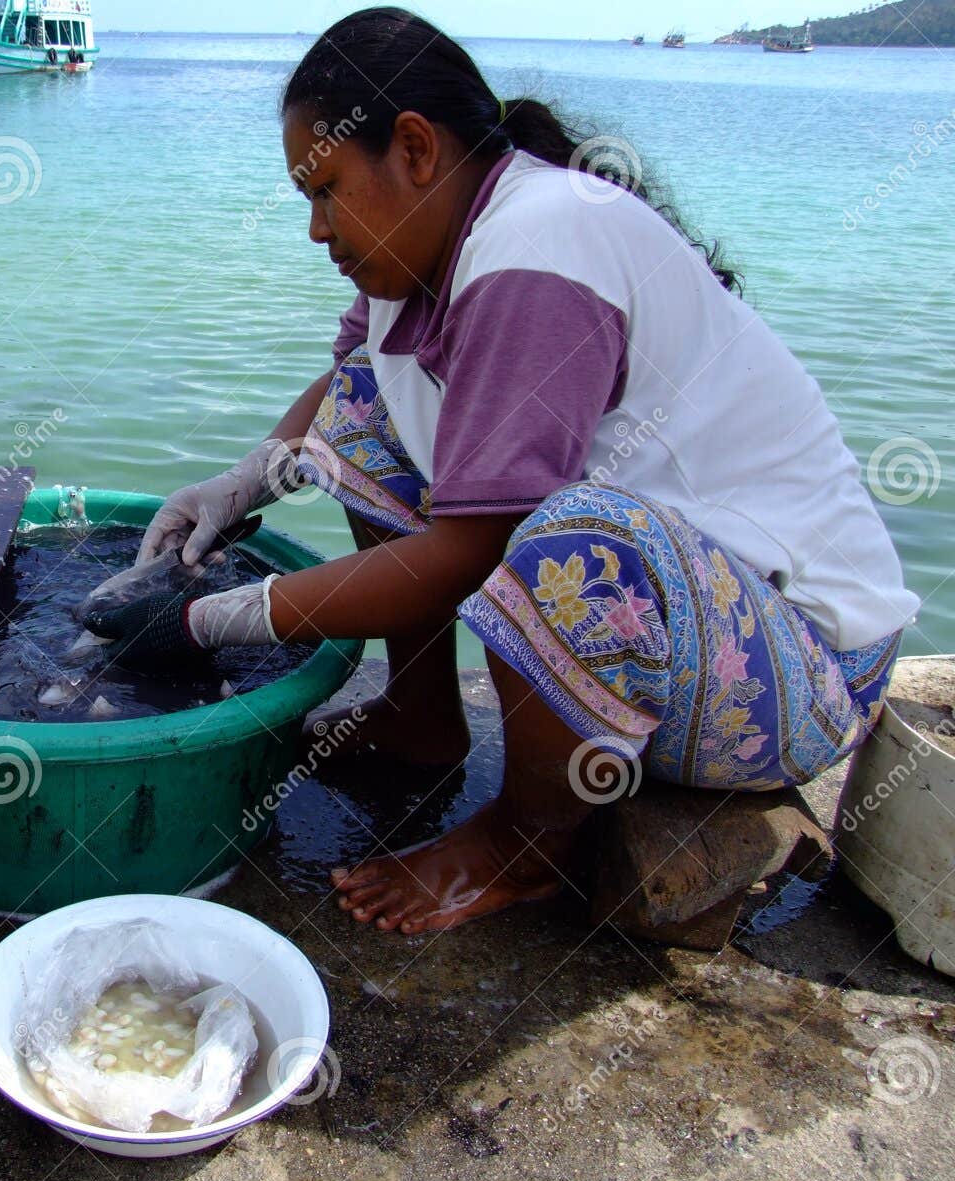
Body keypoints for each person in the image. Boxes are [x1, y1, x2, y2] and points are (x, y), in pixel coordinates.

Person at [85, 6, 919, 935]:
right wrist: (238, 486)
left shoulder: (540, 247)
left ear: (414, 148)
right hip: (676, 636)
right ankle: (418, 719)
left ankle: (521, 847)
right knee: (364, 404)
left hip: (792, 679)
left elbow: (477, 552)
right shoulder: (429, 258)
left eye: (326, 190)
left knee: (572, 542)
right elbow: (346, 393)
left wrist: (211, 620)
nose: (317, 229)